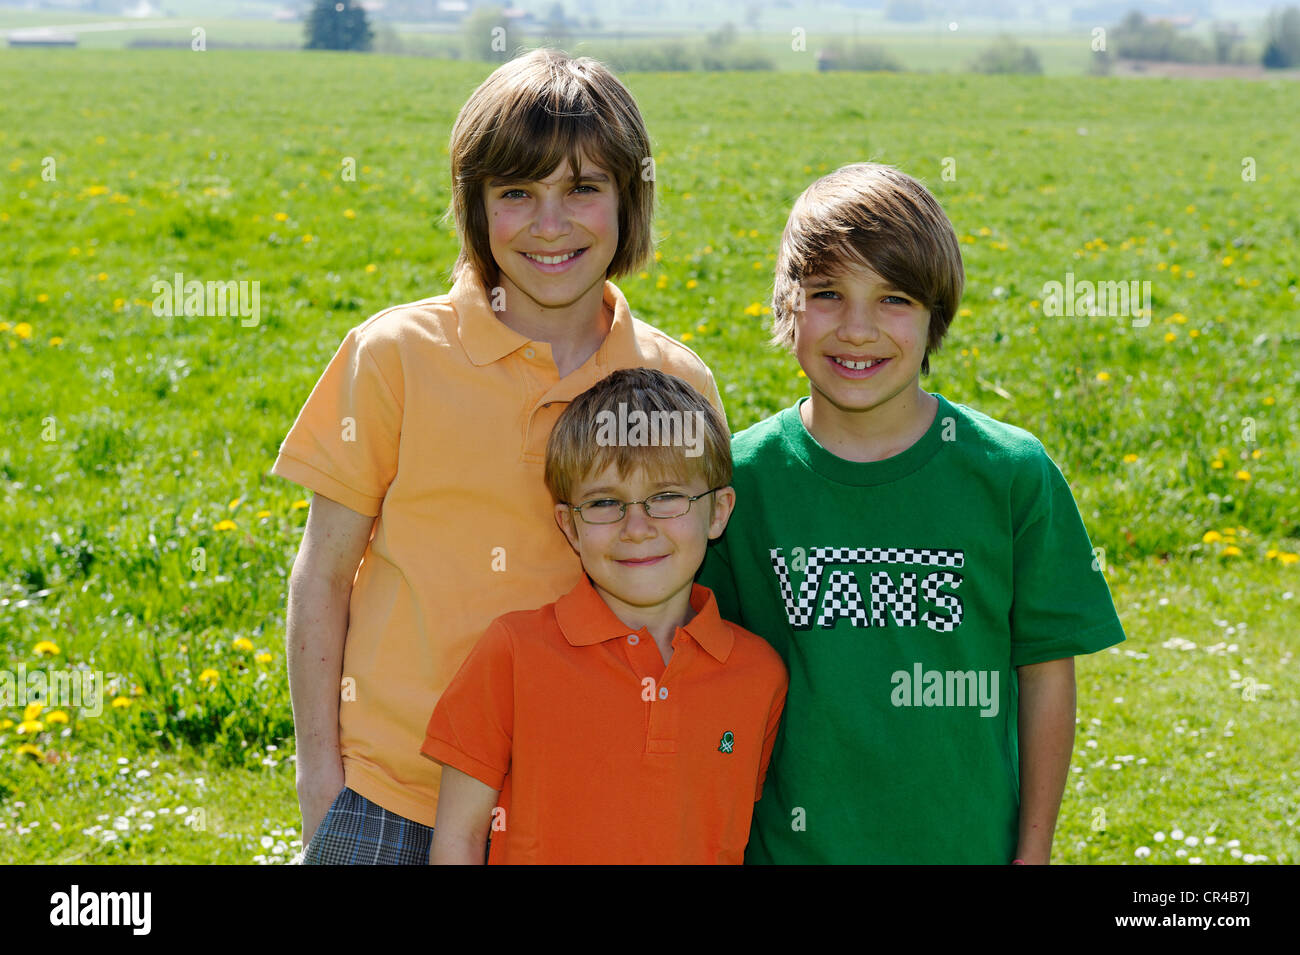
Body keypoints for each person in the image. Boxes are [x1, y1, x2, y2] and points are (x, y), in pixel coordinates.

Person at [271, 49, 724, 865]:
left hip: (582, 806)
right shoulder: (394, 355)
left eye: (583, 189)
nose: (551, 225)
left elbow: (693, 601)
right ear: (475, 207)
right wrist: (322, 785)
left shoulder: (674, 382)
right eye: (517, 193)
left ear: (631, 201)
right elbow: (323, 574)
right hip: (392, 795)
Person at [696, 162, 1127, 864]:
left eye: (893, 298)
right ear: (786, 308)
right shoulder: (739, 481)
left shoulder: (1010, 473)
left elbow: (1046, 671)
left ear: (936, 316)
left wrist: (1035, 847)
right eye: (828, 294)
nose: (857, 329)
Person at [423, 368, 787, 864]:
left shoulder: (759, 675)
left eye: (666, 498)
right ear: (569, 527)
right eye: (604, 503)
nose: (636, 528)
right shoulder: (513, 651)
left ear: (719, 512)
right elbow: (458, 839)